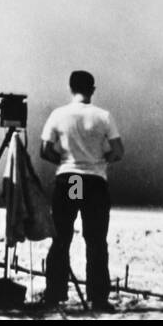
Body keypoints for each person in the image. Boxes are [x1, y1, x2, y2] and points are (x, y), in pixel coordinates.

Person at [40, 70, 123, 312]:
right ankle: (98, 298)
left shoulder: (58, 115)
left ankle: (54, 295)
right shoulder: (103, 116)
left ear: (70, 88)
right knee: (96, 240)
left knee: (62, 237)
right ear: (92, 89)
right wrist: (99, 159)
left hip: (69, 180)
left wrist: (65, 160)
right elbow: (118, 151)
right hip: (94, 182)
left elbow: (45, 149)